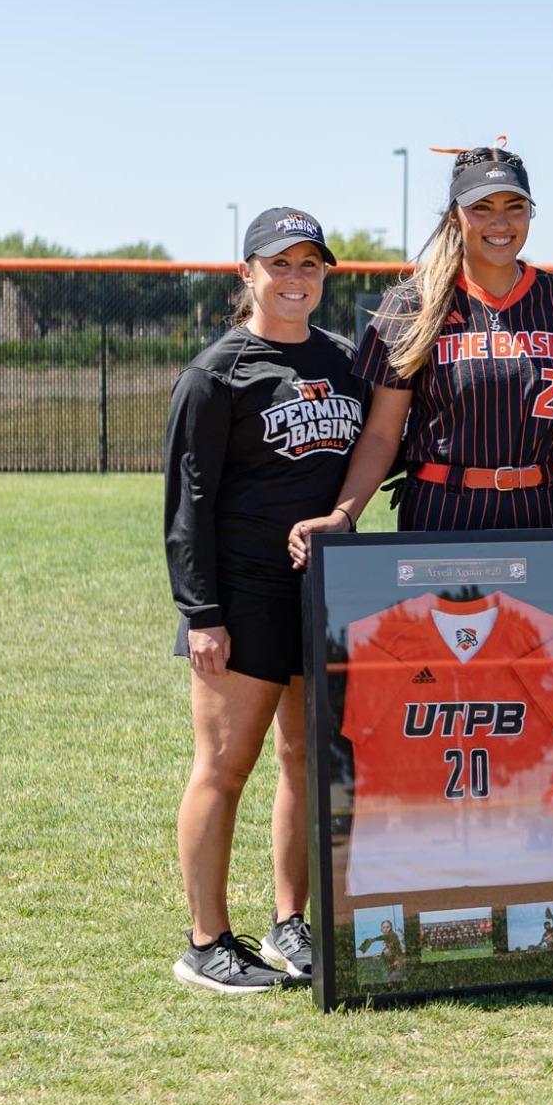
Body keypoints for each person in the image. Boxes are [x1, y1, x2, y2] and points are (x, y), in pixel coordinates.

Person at [165, 207, 365, 992]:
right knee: (224, 764)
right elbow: (188, 506)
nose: (294, 278)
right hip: (241, 593)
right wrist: (201, 613)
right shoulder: (216, 373)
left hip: (320, 592)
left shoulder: (345, 363)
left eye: (310, 264)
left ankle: (290, 923)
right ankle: (205, 940)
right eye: (279, 263)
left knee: (305, 760)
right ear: (246, 273)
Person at [287, 141, 553, 560]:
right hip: (444, 510)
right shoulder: (415, 304)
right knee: (453, 626)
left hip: (549, 510)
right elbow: (381, 434)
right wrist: (344, 515)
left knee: (547, 628)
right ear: (454, 215)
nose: (500, 222)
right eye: (481, 207)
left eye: (514, 206)